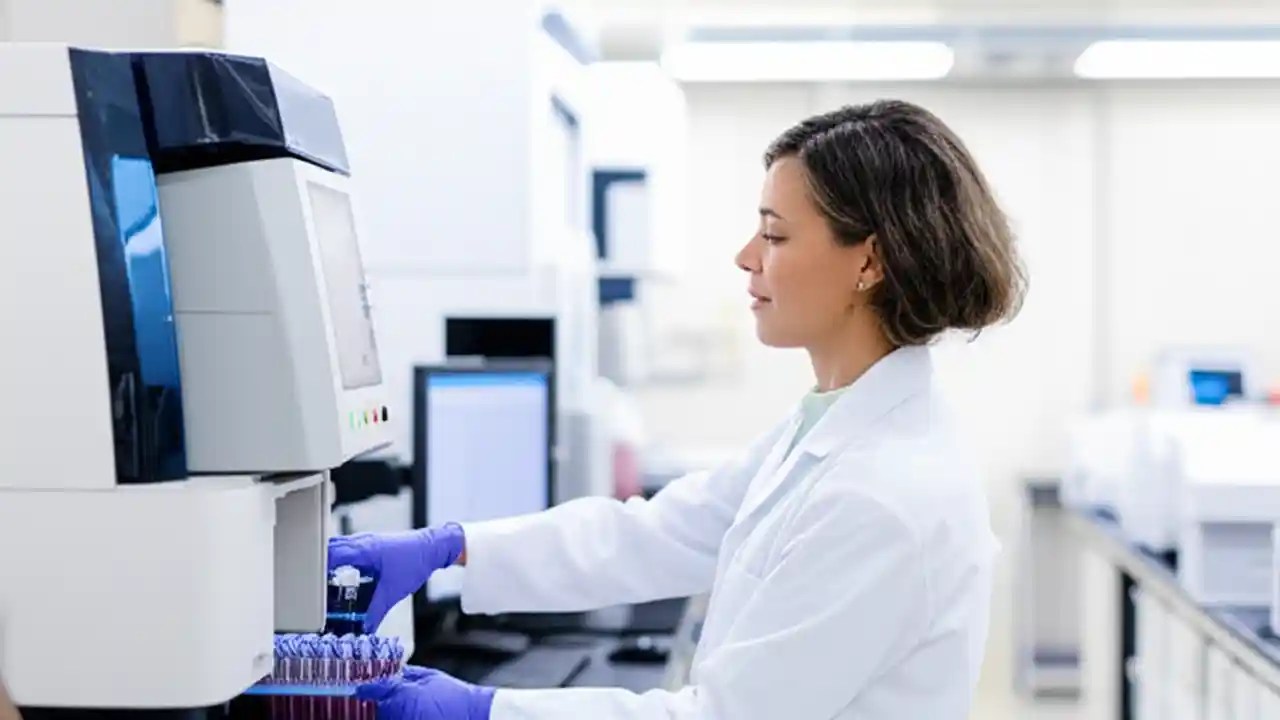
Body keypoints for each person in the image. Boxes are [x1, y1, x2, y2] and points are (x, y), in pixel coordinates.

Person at [335, 99, 1027, 720]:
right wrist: (452, 549)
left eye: (776, 236)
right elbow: (661, 534)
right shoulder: (832, 425)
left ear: (868, 263)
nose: (746, 256)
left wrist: (484, 710)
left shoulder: (885, 494)